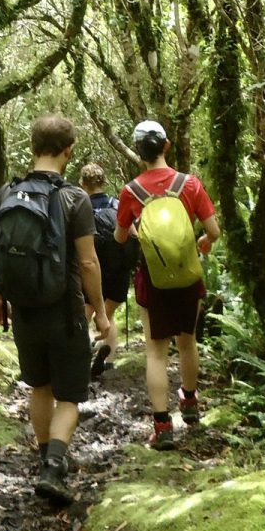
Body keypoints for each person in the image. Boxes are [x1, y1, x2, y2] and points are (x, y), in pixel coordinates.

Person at [0, 114, 108, 504]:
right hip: (65, 309)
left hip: (23, 309)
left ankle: (45, 458)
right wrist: (102, 315)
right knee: (69, 396)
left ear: (33, 146)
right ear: (69, 151)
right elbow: (88, 263)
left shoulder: (7, 192)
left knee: (39, 386)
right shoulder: (75, 198)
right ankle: (54, 466)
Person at [114, 120, 220, 450]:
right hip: (188, 274)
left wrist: (138, 233)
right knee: (187, 343)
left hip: (153, 278)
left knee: (156, 353)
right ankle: (189, 404)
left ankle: (163, 427)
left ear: (139, 153)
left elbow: (119, 237)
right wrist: (203, 242)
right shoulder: (190, 185)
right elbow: (213, 231)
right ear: (166, 146)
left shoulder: (132, 191)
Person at [79, 162, 131, 376]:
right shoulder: (118, 205)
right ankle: (108, 361)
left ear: (83, 184)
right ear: (103, 182)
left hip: (92, 271)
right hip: (119, 271)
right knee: (108, 315)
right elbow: (134, 236)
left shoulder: (81, 209)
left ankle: (84, 351)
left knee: (85, 315)